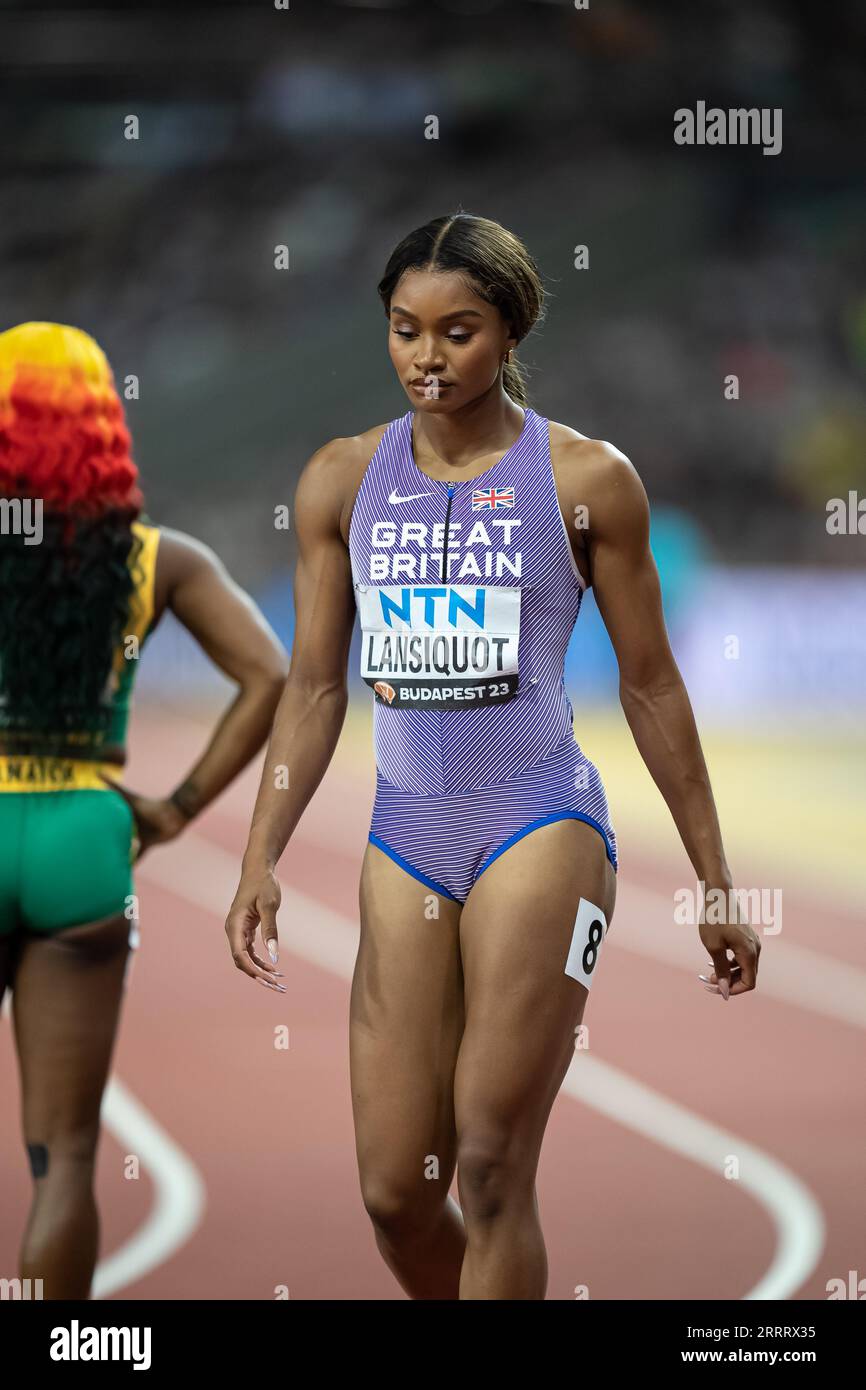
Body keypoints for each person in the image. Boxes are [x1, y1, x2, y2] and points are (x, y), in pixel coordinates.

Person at [225, 213, 761, 1300]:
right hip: (404, 832)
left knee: (490, 1163)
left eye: (457, 331)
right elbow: (315, 687)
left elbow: (652, 685)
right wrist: (258, 855)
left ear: (510, 332)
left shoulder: (585, 479)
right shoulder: (339, 480)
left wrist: (714, 879)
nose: (427, 356)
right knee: (395, 1192)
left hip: (539, 821)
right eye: (405, 329)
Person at [0, 321, 289, 1298]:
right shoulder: (158, 558)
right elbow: (269, 675)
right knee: (65, 1156)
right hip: (88, 836)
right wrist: (173, 810)